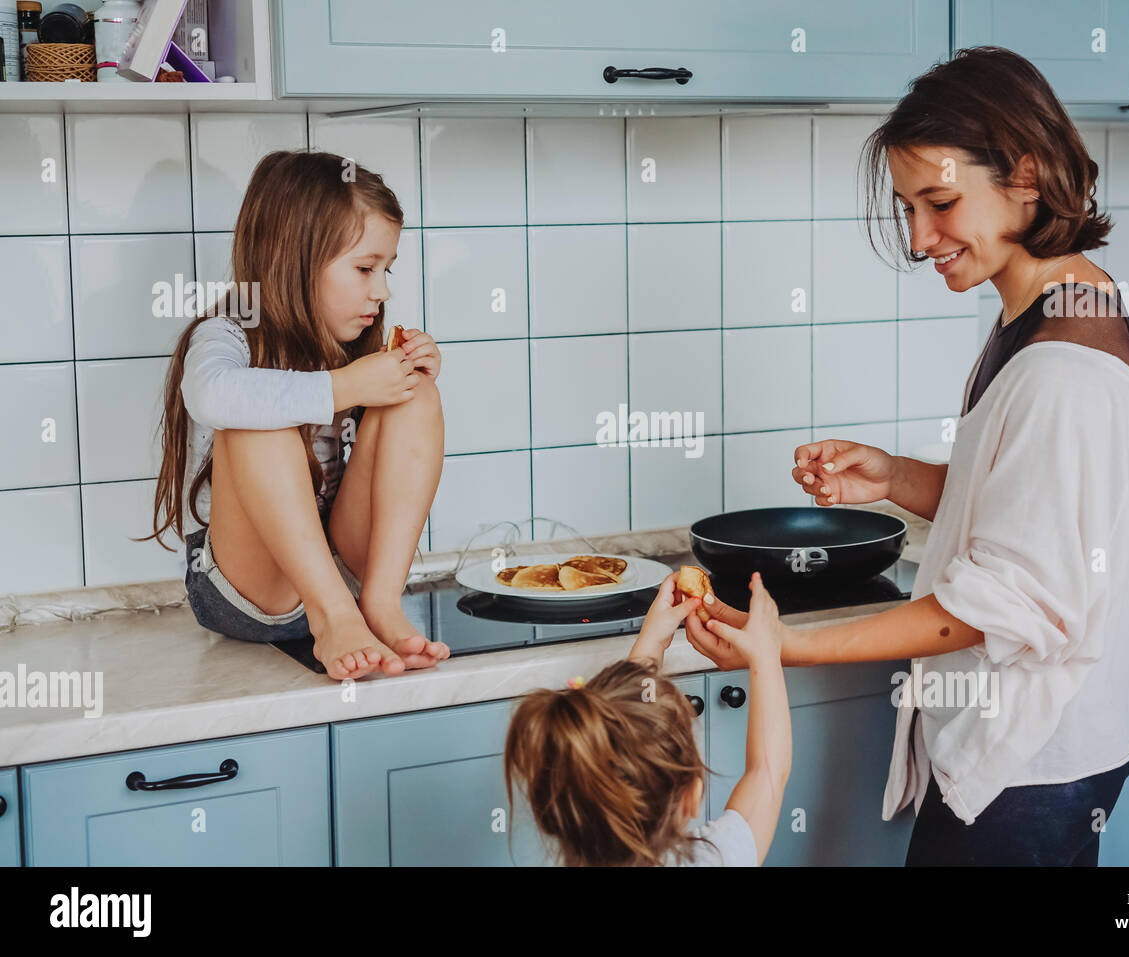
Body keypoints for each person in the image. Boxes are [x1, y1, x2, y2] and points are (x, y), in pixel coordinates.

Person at [683, 47, 1129, 866]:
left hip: (1034, 755)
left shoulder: (1063, 366)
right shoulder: (1050, 299)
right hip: (1056, 737)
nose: (919, 239)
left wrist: (785, 647)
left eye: (940, 202)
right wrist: (896, 478)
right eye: (908, 206)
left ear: (1024, 175)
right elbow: (1029, 507)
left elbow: (1002, 601)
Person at [142, 150, 450, 681]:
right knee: (253, 419)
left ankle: (379, 603)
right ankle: (332, 617)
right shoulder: (228, 333)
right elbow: (213, 396)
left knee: (415, 393)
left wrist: (407, 370)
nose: (382, 291)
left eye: (386, 270)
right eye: (364, 269)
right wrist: (346, 385)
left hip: (341, 572)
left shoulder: (351, 338)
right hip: (252, 591)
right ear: (295, 257)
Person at [503, 572, 792, 865]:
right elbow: (766, 772)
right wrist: (765, 653)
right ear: (692, 794)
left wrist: (653, 639)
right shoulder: (712, 859)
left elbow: (628, 720)